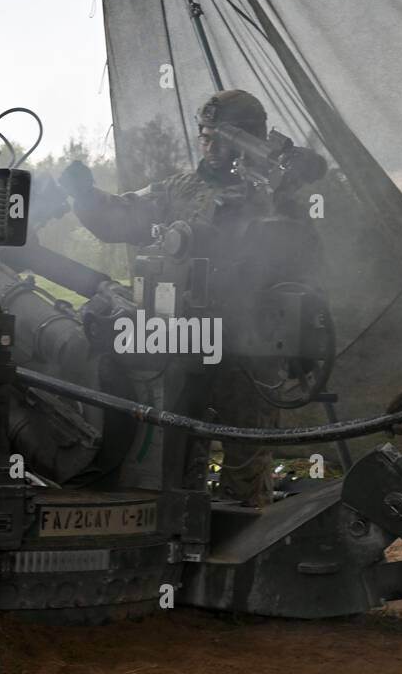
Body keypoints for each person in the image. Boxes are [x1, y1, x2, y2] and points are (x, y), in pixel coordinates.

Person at [58, 90, 310, 507]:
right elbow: (121, 215)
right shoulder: (180, 189)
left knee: (247, 458)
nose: (210, 146)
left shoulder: (277, 193)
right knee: (176, 450)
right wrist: (85, 194)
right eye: (204, 136)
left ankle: (245, 541)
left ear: (250, 139)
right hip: (186, 342)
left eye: (221, 137)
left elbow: (305, 260)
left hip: (252, 347)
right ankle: (180, 535)